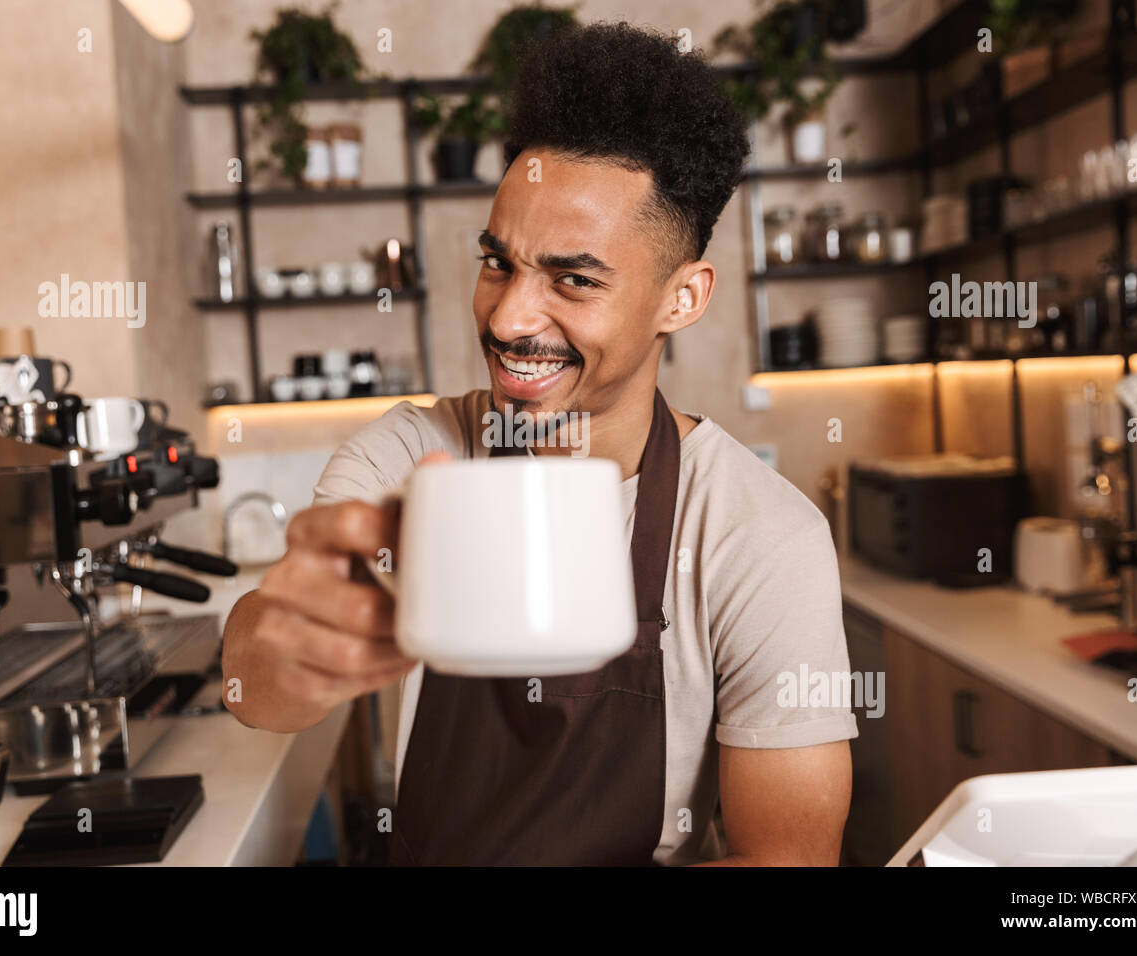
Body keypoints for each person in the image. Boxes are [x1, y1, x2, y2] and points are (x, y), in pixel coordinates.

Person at [223, 21, 857, 865]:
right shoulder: (409, 461)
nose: (509, 317)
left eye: (574, 279)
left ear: (683, 297)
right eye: (498, 264)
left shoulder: (760, 536)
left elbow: (788, 863)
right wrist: (301, 637)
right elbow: (252, 693)